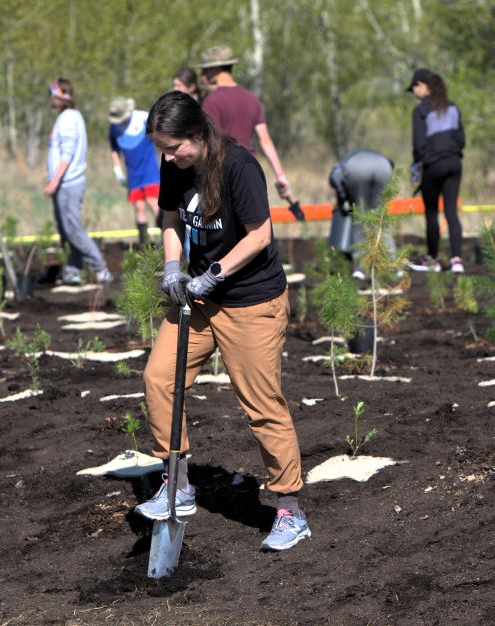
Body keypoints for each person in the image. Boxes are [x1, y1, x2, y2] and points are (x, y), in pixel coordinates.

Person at [138, 91, 310, 552]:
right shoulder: (173, 165)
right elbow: (171, 219)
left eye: (174, 147)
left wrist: (214, 274)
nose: (168, 156)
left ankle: (290, 511)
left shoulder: (238, 166)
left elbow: (261, 235)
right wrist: (173, 268)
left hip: (251, 300)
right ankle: (177, 484)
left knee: (260, 402)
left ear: (197, 134)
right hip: (200, 299)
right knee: (159, 378)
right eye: (162, 149)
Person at [197, 45, 291, 201]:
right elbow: (266, 141)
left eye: (206, 70)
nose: (203, 75)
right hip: (251, 171)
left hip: (224, 172)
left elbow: (210, 143)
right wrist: (281, 176)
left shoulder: (211, 102)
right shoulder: (251, 99)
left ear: (217, 69)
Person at [44, 78, 112, 285]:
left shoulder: (68, 119)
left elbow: (67, 154)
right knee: (66, 229)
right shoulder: (68, 117)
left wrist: (54, 181)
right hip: (66, 183)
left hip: (68, 183)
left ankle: (101, 268)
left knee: (73, 229)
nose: (49, 98)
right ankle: (74, 269)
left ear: (59, 96)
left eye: (51, 93)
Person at [407, 68, 466, 274]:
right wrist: (453, 154)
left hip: (433, 166)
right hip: (454, 164)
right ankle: (457, 260)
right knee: (451, 212)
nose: (414, 91)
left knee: (432, 214)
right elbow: (461, 139)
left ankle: (432, 260)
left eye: (415, 87)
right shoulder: (453, 107)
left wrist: (416, 173)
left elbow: (418, 147)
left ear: (423, 86)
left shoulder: (420, 111)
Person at [328, 149, 397, 279]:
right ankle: (392, 264)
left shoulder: (340, 167)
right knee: (381, 217)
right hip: (384, 168)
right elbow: (391, 165)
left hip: (357, 171)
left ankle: (360, 269)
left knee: (360, 217)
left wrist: (343, 200)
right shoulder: (380, 157)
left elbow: (336, 178)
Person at [109, 96, 161, 246]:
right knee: (138, 207)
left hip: (150, 171)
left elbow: (160, 138)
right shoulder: (113, 129)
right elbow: (114, 150)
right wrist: (117, 170)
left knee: (154, 203)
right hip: (133, 174)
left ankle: (167, 238)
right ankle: (144, 245)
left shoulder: (143, 119)